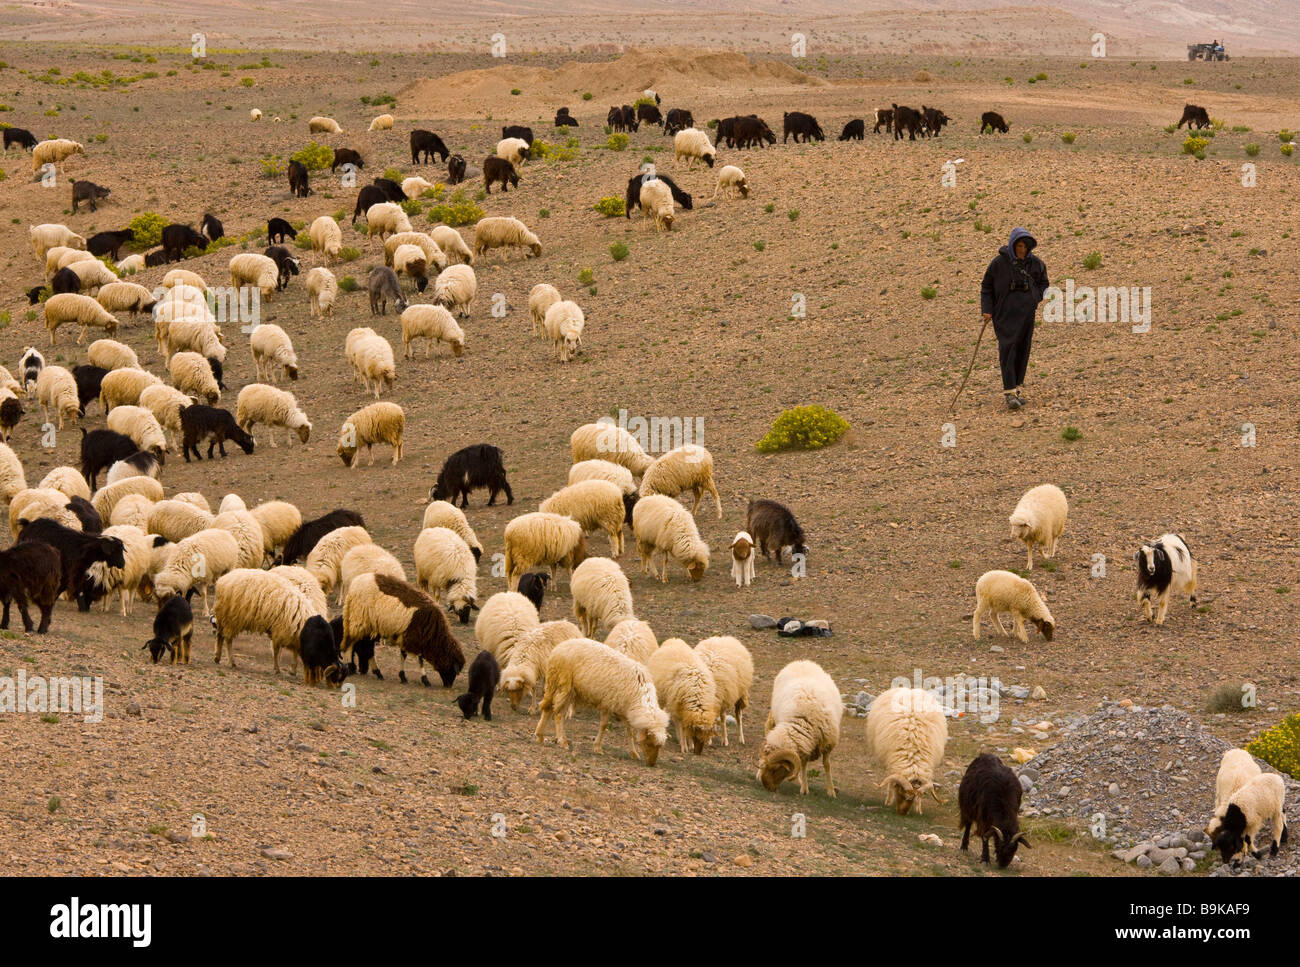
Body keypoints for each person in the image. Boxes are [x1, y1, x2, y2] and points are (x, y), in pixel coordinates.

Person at [980, 227, 1048, 411]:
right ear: (1012, 245)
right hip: (1005, 315)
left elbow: (1044, 282)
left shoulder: (1035, 263)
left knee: (1022, 349)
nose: (1022, 250)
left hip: (1026, 314)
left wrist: (1035, 297)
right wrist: (987, 310)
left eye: (1025, 246)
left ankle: (1016, 389)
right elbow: (986, 287)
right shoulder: (998, 264)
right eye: (1019, 245)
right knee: (1007, 350)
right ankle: (1009, 392)